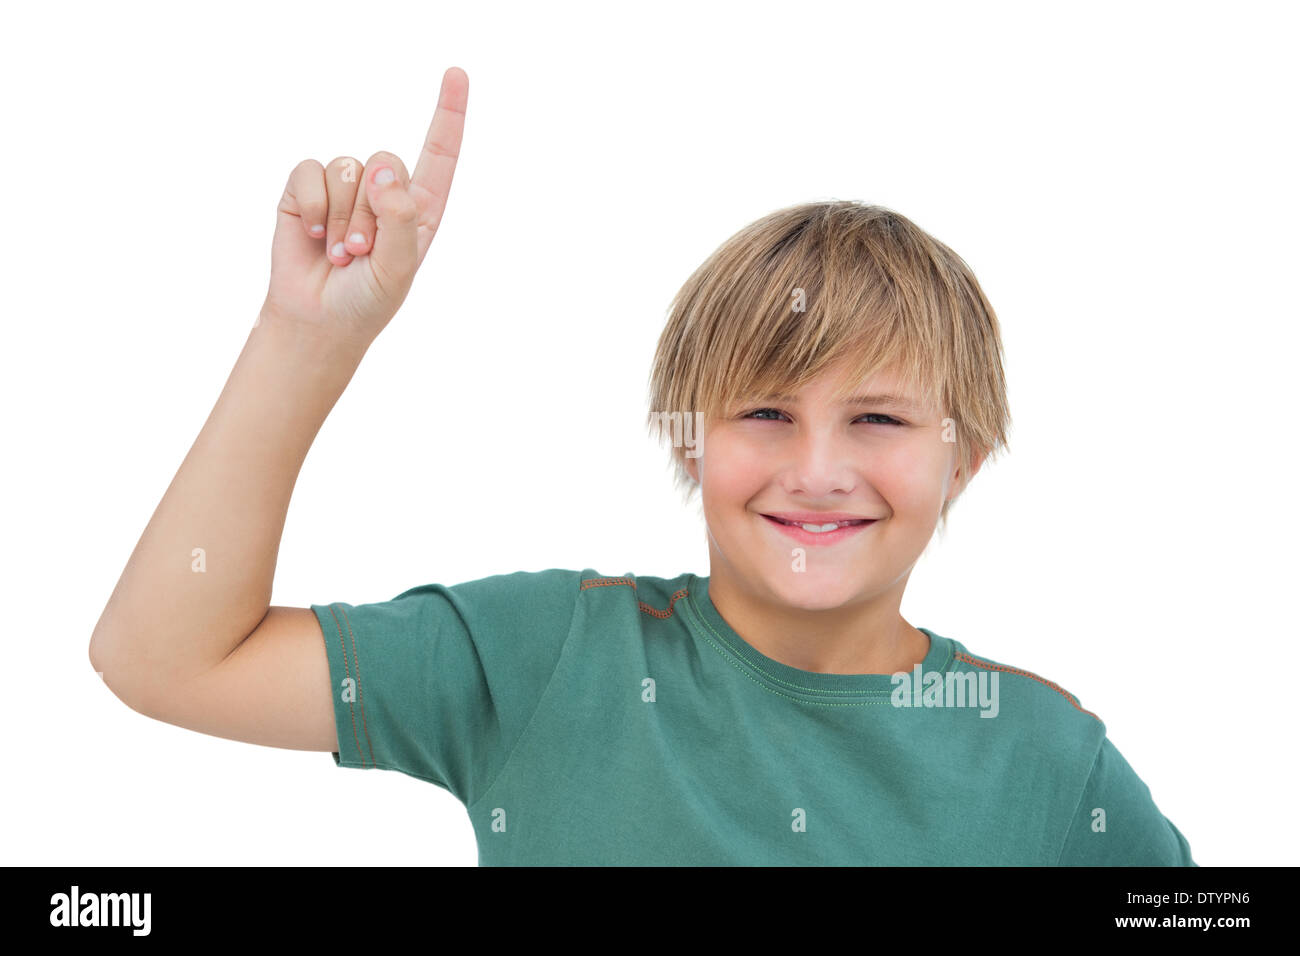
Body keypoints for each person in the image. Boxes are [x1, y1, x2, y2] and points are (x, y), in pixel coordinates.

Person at [88, 65, 1194, 866]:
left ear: (965, 460)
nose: (816, 469)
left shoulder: (1049, 761)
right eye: (765, 411)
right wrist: (308, 334)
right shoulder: (547, 657)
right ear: (687, 437)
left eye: (877, 421)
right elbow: (164, 659)